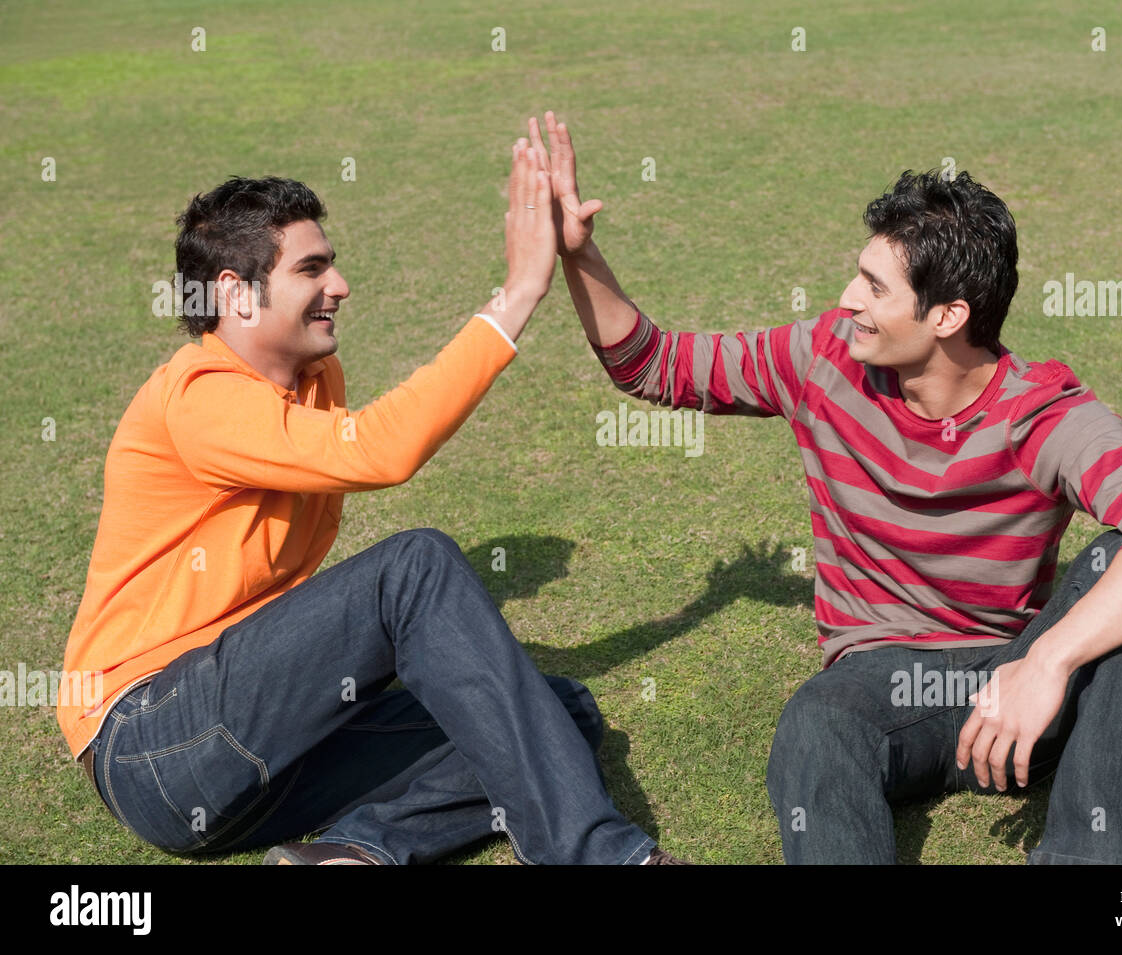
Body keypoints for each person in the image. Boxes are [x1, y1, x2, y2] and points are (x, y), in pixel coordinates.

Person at [525, 110, 1122, 864]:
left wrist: (1047, 661)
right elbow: (654, 366)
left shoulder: (1038, 413)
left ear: (948, 315)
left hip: (1011, 680)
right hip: (883, 685)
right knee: (818, 719)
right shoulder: (822, 360)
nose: (846, 299)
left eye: (874, 286)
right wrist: (581, 253)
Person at [58, 144, 684, 864]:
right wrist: (518, 291)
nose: (342, 285)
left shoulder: (319, 377)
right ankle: (606, 857)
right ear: (234, 293)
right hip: (155, 744)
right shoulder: (196, 395)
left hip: (265, 757)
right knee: (413, 568)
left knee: (555, 715)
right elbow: (379, 452)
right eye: (311, 268)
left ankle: (358, 853)